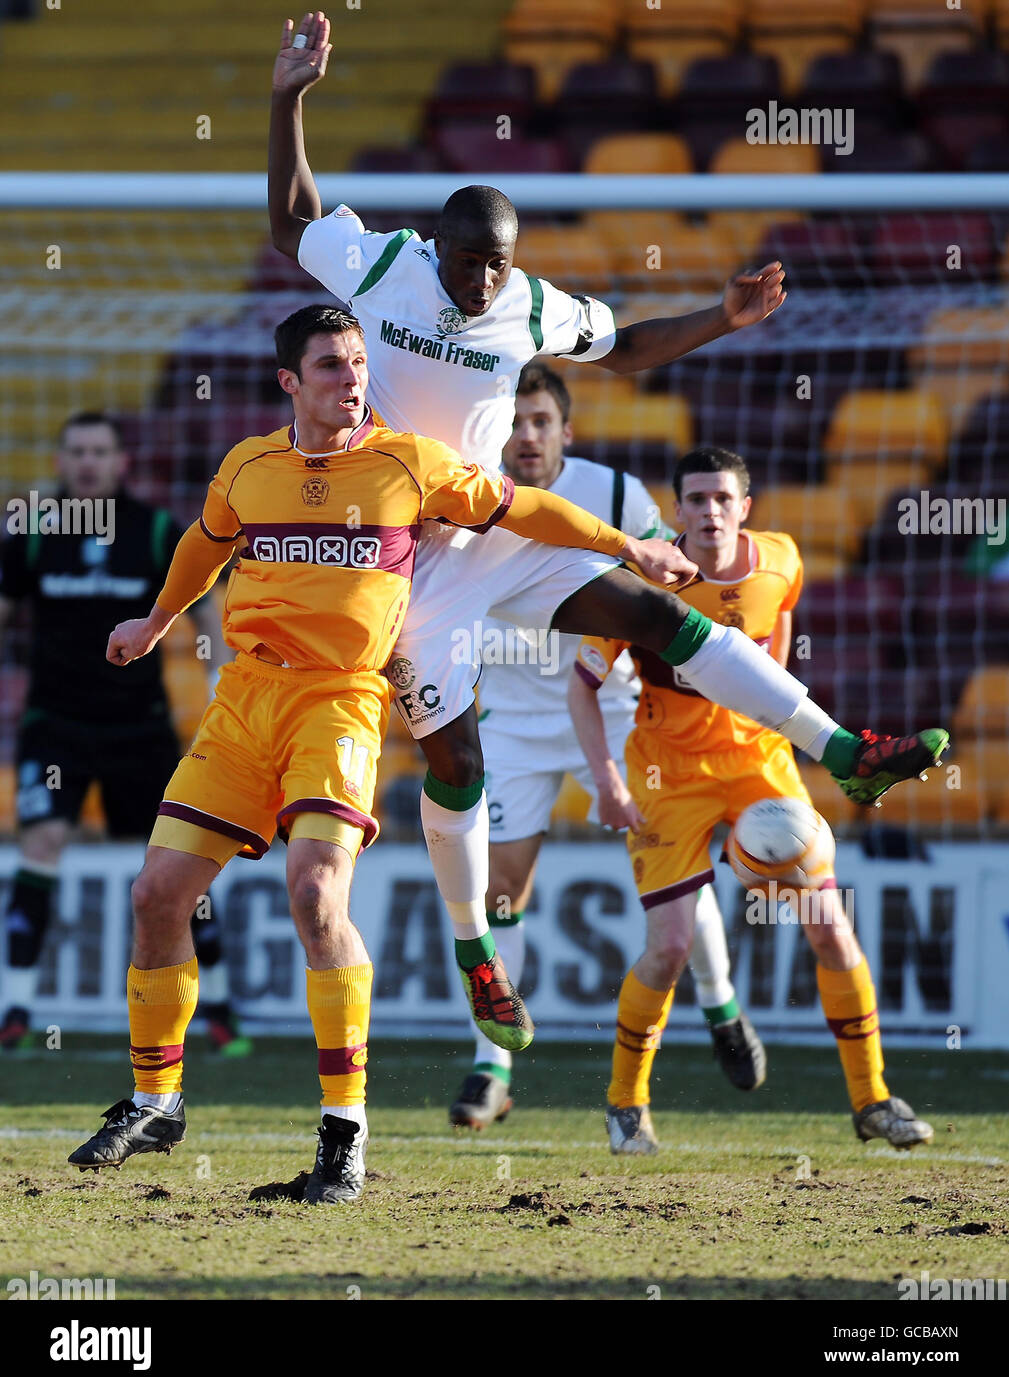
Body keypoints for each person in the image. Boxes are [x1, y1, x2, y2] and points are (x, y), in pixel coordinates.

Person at [268, 14, 949, 1007]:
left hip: (496, 521)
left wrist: (721, 317)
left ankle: (842, 750)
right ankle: (475, 950)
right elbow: (289, 224)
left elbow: (625, 346)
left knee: (655, 617)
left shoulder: (531, 305)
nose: (482, 282)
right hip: (408, 559)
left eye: (496, 265)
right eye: (468, 263)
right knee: (454, 759)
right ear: (438, 245)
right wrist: (288, 98)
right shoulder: (382, 266)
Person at [64, 305, 697, 1203]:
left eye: (357, 362)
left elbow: (529, 510)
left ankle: (343, 1135)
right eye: (328, 365)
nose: (350, 378)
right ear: (290, 381)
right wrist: (157, 620)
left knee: (315, 893)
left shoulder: (406, 460)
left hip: (341, 698)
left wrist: (626, 545)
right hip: (244, 697)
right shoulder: (248, 466)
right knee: (156, 894)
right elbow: (205, 546)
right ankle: (154, 1099)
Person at [568, 447, 936, 1154]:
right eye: (695, 500)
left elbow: (778, 639)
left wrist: (779, 721)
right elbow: (580, 686)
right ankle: (625, 1105)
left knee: (829, 924)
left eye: (721, 499)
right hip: (664, 771)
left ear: (745, 507)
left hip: (757, 762)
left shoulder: (780, 560)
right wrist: (607, 783)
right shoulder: (640, 584)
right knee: (670, 946)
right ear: (675, 512)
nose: (709, 512)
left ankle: (873, 1100)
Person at [451, 365, 765, 1130]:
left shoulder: (618, 496)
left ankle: (720, 1006)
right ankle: (493, 1067)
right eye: (514, 423)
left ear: (566, 431)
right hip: (515, 721)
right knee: (498, 893)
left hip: (617, 708)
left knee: (677, 866)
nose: (525, 437)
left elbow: (668, 592)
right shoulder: (465, 495)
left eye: (539, 422)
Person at [0, 412, 248, 1055]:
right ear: (60, 461)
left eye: (99, 451)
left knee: (175, 869)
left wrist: (223, 675)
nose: (87, 462)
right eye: (76, 450)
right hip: (54, 728)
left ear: (121, 463)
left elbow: (207, 608)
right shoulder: (32, 532)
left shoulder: (158, 530)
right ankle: (16, 1009)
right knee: (42, 843)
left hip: (140, 732)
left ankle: (219, 1009)